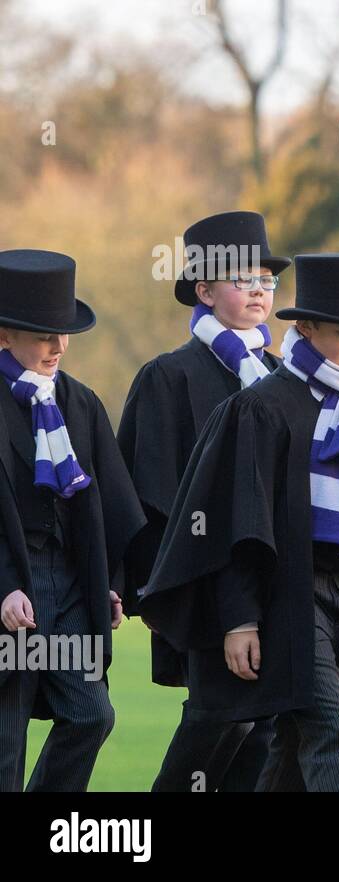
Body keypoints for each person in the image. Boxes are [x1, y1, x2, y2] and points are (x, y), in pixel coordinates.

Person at [139, 253, 339, 791]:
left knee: (292, 748)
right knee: (329, 733)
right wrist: (240, 619)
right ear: (305, 328)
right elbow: (236, 526)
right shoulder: (263, 407)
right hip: (290, 596)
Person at [119, 210, 289, 792]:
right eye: (243, 278)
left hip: (275, 584)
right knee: (217, 720)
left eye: (267, 280)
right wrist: (202, 599)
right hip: (205, 587)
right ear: (204, 288)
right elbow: (150, 498)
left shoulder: (280, 375)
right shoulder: (168, 377)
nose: (259, 290)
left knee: (262, 735)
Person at [0, 248, 145, 791]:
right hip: (13, 590)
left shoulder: (79, 403)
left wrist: (106, 582)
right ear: (3, 336)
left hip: (68, 588)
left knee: (91, 716)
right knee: (4, 745)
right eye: (43, 335)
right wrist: (5, 588)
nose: (59, 347)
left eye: (63, 334)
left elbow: (108, 505)